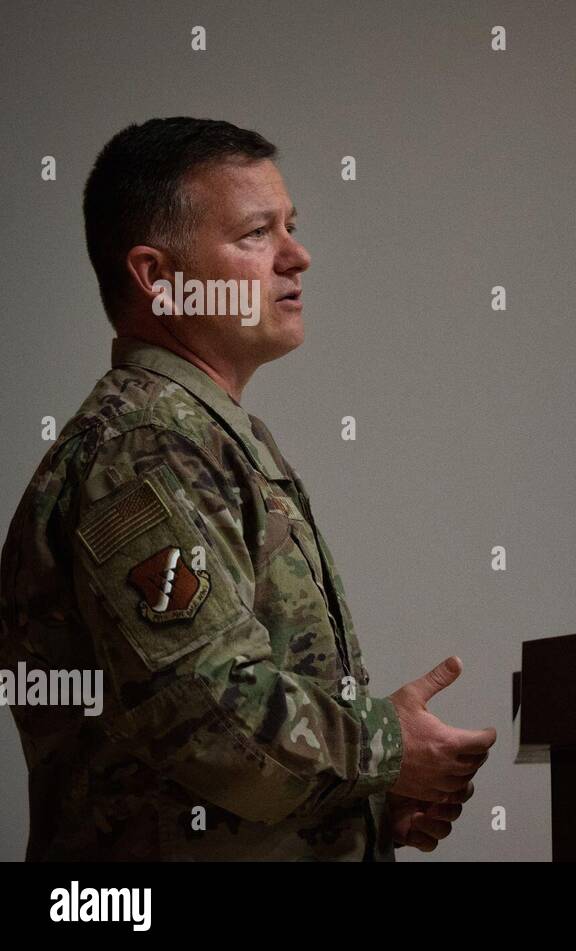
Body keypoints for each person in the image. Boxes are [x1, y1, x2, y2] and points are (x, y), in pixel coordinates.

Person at [0, 117, 495, 860]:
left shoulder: (204, 432)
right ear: (158, 277)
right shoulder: (146, 445)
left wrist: (363, 809)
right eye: (257, 234)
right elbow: (210, 716)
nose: (298, 256)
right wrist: (390, 749)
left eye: (291, 227)